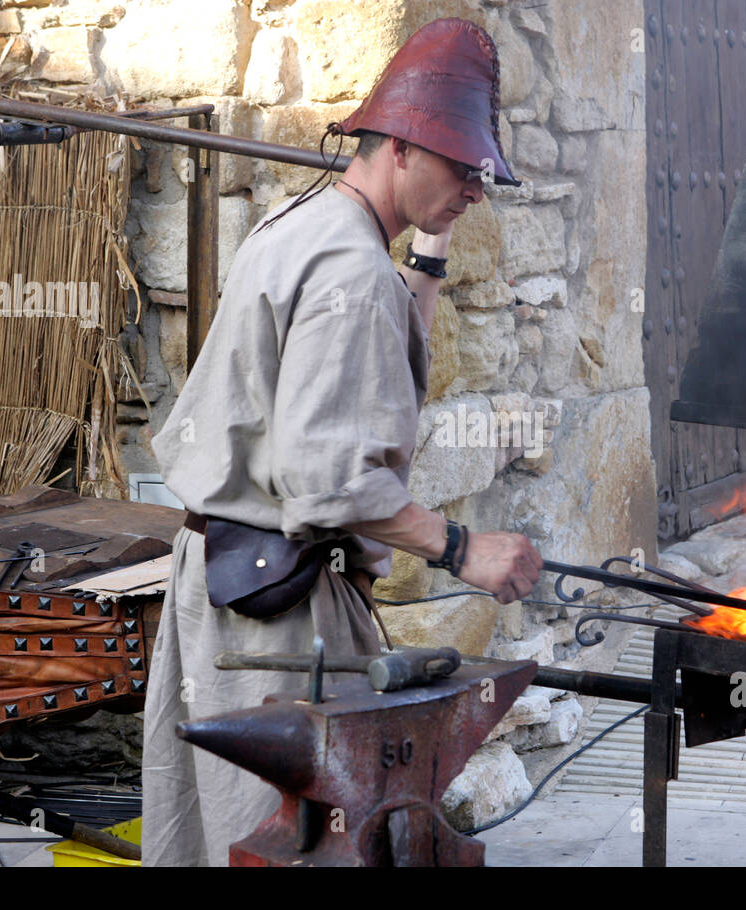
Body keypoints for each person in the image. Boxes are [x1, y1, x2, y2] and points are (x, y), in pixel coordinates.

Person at [142, 17, 543, 866]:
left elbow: (370, 362)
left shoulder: (311, 223)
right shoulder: (353, 273)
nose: (475, 187)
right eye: (462, 165)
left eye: (480, 171)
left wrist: (427, 261)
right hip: (271, 617)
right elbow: (330, 481)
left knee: (226, 836)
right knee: (286, 846)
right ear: (400, 145)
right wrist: (460, 547)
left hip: (229, 588)